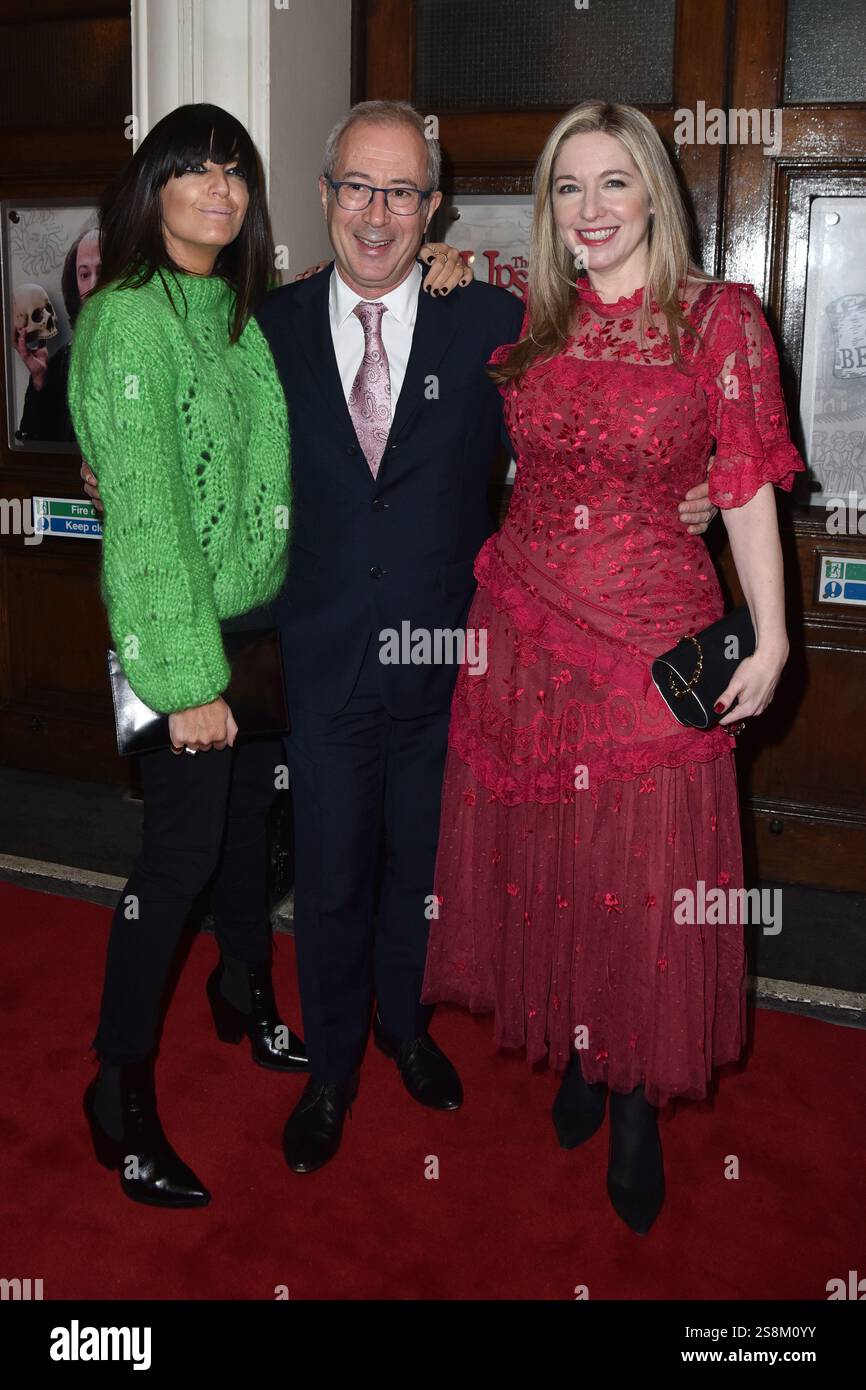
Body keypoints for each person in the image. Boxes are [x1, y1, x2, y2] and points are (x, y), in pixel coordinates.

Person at [255, 99, 717, 1175]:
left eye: (402, 192)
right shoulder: (265, 330)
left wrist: (689, 492)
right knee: (326, 874)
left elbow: (615, 413)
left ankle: (404, 1029)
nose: (377, 214)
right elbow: (205, 446)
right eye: (357, 188)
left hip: (455, 663)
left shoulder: (494, 324)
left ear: (435, 208)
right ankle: (331, 1068)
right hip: (321, 657)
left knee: (424, 866)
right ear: (325, 199)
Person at [422, 100, 805, 1234]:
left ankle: (634, 1097)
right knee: (552, 860)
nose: (587, 211)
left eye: (610, 185)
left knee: (642, 878)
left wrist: (772, 632)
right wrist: (434, 250)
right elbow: (426, 261)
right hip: (523, 627)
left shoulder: (716, 321)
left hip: (650, 645)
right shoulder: (527, 313)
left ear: (653, 194)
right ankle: (582, 1051)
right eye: (566, 188)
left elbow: (740, 482)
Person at [68, 103, 309, 1209]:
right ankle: (118, 1090)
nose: (220, 189)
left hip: (259, 628)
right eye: (194, 171)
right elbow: (152, 515)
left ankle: (241, 988)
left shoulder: (236, 314)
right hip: (187, 646)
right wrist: (187, 681)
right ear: (151, 187)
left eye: (236, 173)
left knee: (251, 835)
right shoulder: (129, 320)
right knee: (172, 868)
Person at [16, 227, 101, 443]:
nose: (93, 285)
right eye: (84, 275)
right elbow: (35, 444)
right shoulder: (62, 360)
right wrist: (39, 381)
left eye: (103, 271)